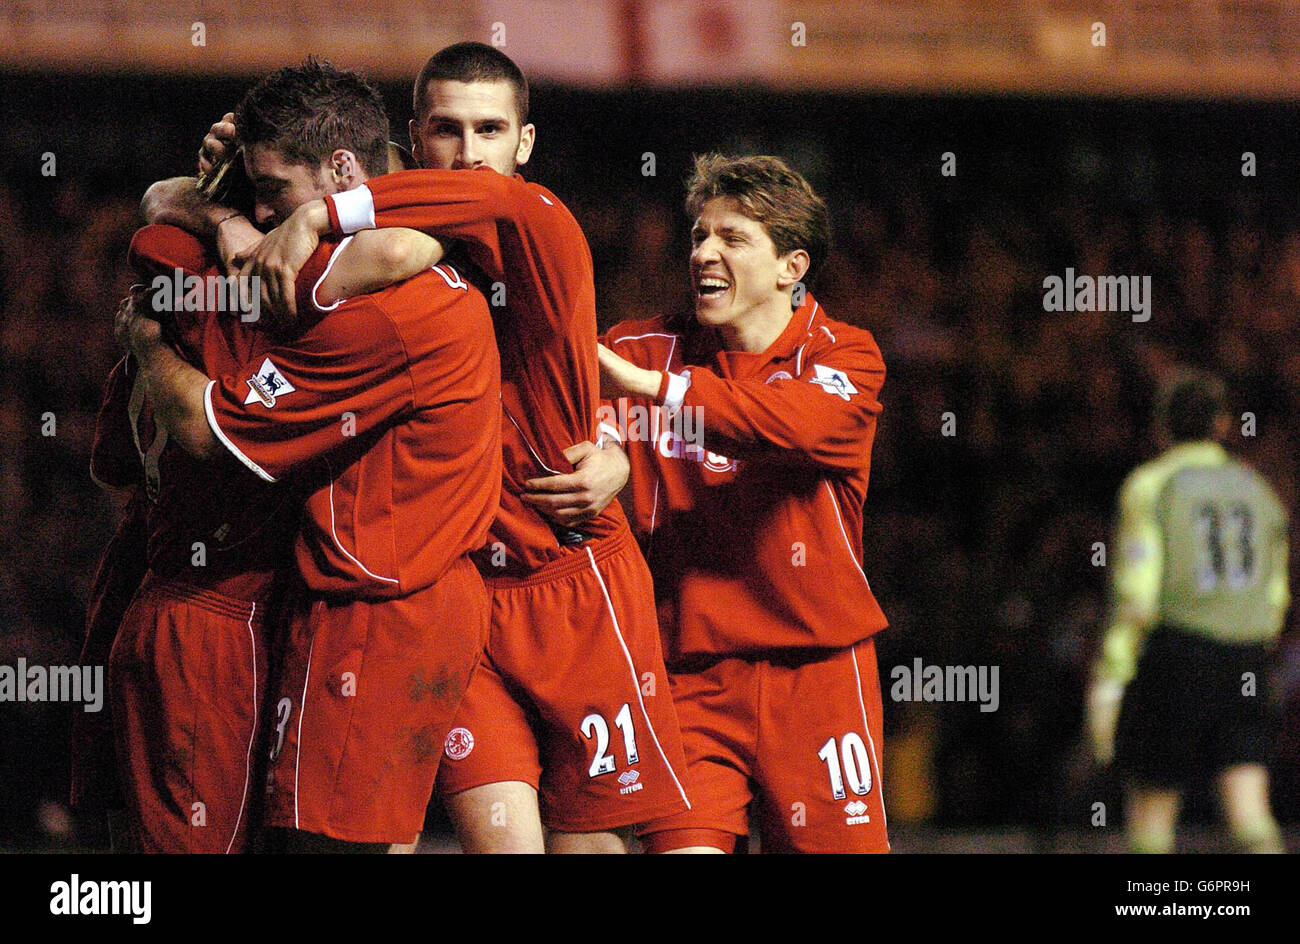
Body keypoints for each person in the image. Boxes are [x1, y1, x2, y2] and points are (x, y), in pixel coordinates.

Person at [242, 42, 689, 853]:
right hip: (463, 591)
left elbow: (596, 357)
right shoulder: (401, 245)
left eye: (491, 131)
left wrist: (623, 442)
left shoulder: (540, 222)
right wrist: (207, 193)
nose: (470, 152)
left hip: (574, 579)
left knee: (589, 845)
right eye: (447, 130)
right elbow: (293, 175)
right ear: (414, 140)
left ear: (524, 145)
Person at [118, 59, 502, 852]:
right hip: (312, 602)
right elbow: (166, 201)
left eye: (272, 192)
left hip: (372, 610)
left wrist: (148, 342)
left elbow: (199, 426)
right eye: (246, 189)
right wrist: (226, 217)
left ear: (341, 174)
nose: (263, 214)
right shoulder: (414, 252)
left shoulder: (354, 309)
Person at [598, 153, 891, 853]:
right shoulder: (637, 350)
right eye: (700, 235)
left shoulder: (846, 358)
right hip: (686, 680)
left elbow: (793, 424)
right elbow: (582, 437)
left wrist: (658, 392)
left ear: (792, 266)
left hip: (817, 675)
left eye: (732, 238)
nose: (703, 252)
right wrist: (604, 457)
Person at [1087, 370, 1290, 854]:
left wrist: (1113, 673)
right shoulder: (1258, 490)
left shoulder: (1152, 485)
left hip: (1176, 653)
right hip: (1247, 658)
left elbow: (1138, 592)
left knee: (1154, 805)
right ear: (1222, 425)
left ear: (1161, 426)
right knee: (1249, 806)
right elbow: (1276, 594)